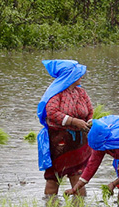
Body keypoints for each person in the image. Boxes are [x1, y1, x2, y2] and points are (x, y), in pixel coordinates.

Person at [36, 59, 94, 198]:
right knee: (54, 177)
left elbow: (90, 111)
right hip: (59, 141)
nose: (81, 76)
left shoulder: (81, 93)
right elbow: (52, 113)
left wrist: (89, 122)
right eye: (78, 74)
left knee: (78, 175)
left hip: (79, 140)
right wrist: (74, 121)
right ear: (70, 76)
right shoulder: (56, 94)